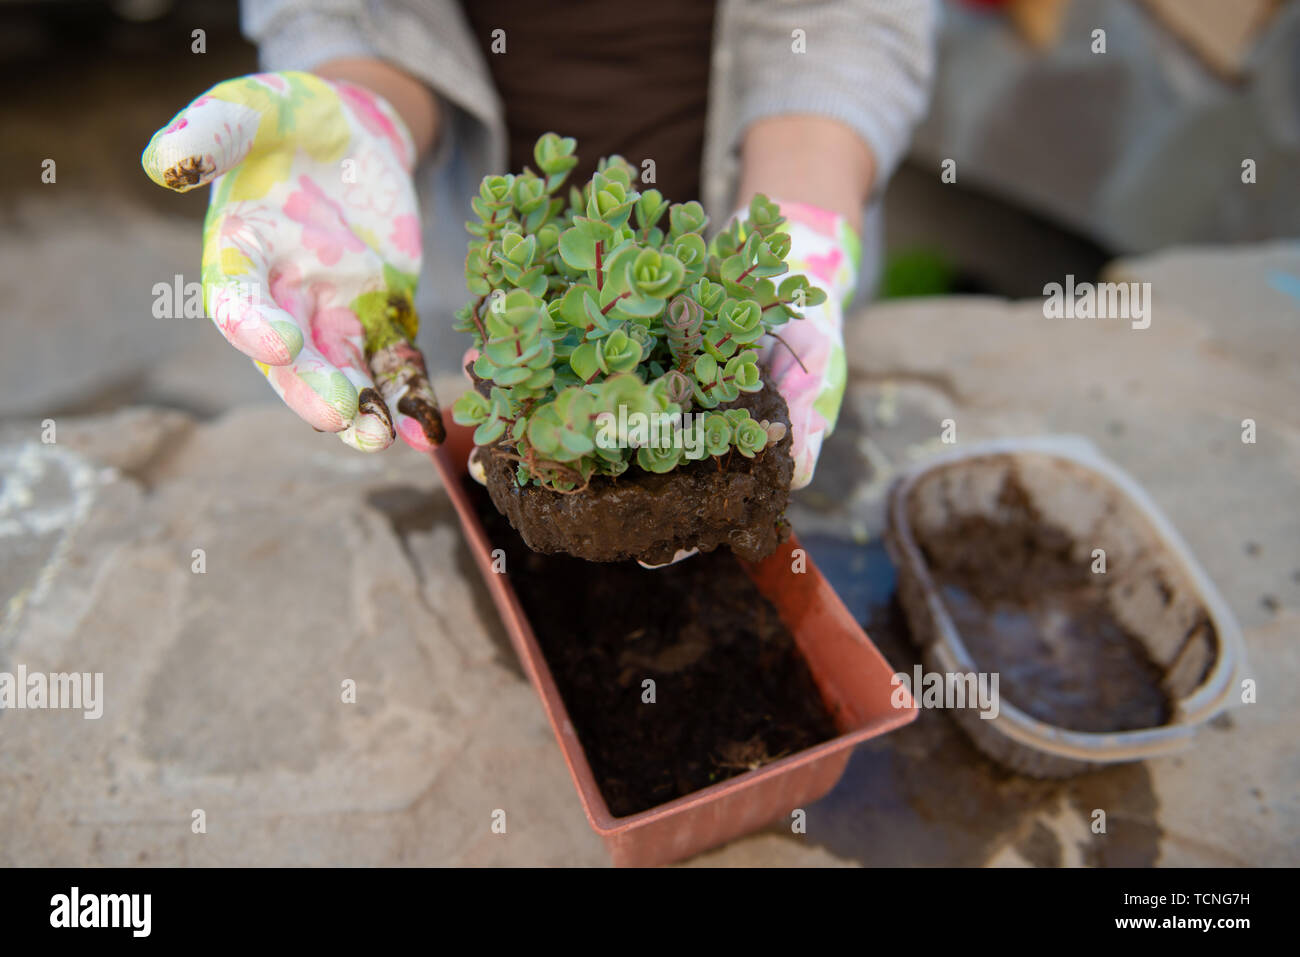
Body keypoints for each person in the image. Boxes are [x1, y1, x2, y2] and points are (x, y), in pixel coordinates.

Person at [142, 0, 936, 489]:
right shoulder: (522, 312)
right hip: (479, 272)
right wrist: (359, 122)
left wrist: (803, 232)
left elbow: (845, 19)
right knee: (523, 464)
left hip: (753, 269)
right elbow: (341, 9)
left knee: (751, 449)